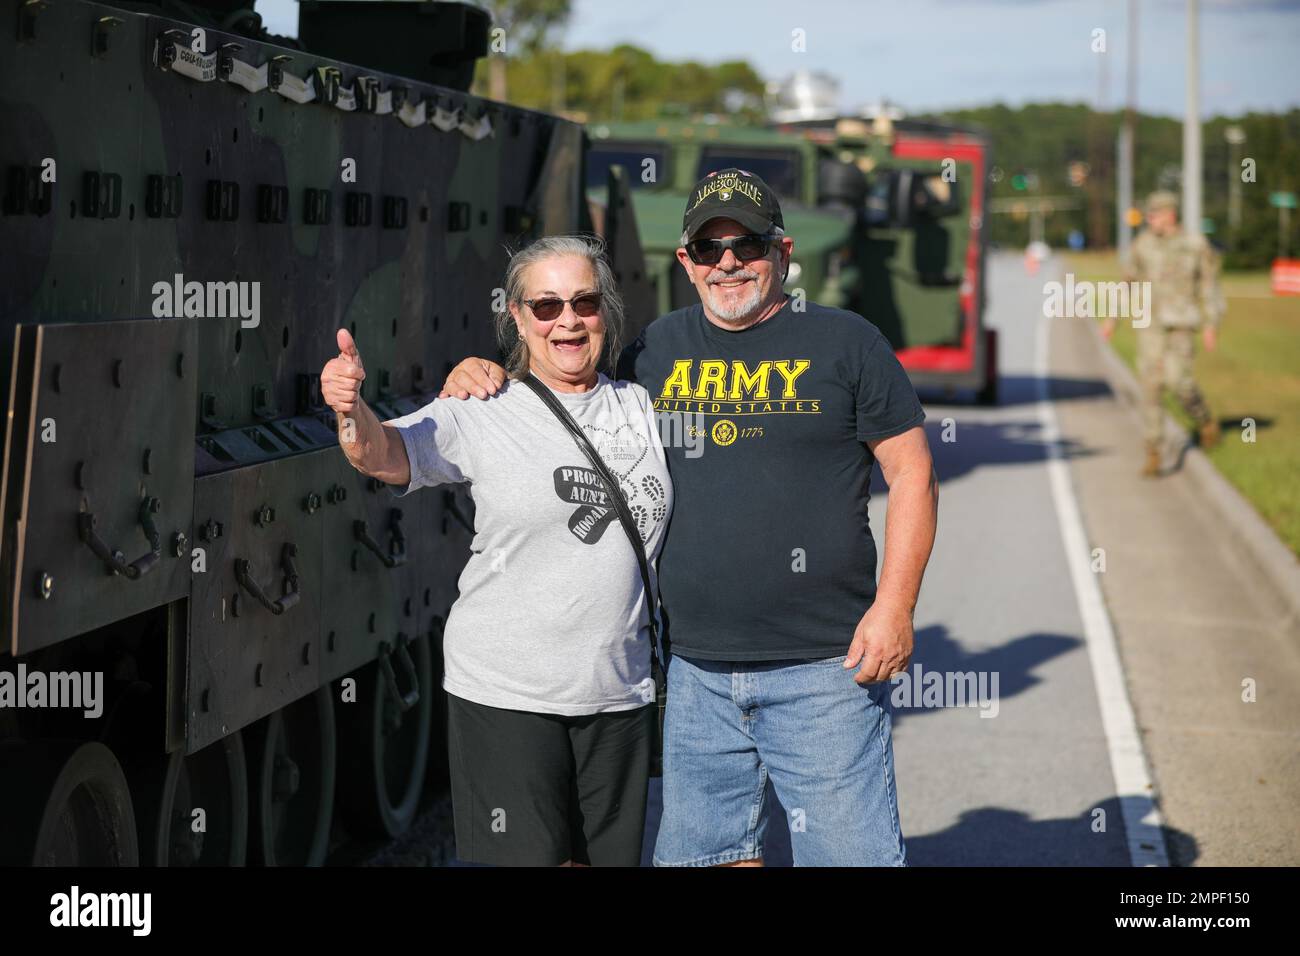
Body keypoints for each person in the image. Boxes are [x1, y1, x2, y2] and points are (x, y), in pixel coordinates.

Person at [442, 168, 938, 867]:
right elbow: (563, 375)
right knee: (712, 858)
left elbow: (913, 472)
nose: (728, 262)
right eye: (709, 249)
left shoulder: (847, 343)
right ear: (686, 262)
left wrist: (896, 606)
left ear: (784, 252)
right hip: (694, 675)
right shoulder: (654, 351)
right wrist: (479, 370)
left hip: (826, 670)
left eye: (748, 245)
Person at [320, 235, 673, 866]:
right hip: (508, 690)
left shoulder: (641, 406)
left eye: (585, 301)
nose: (568, 319)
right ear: (516, 316)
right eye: (545, 306)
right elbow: (385, 454)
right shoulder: (481, 410)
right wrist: (351, 412)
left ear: (606, 310)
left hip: (617, 690)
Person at [1104, 190, 1226, 477]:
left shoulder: (1195, 245)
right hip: (1150, 325)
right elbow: (1127, 283)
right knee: (1151, 386)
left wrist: (1211, 323)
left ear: (1170, 214)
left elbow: (1210, 286)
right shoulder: (1142, 245)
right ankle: (1153, 451)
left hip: (1182, 323)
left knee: (1179, 383)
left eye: (1154, 215)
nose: (1150, 220)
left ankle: (1205, 421)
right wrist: (1112, 319)